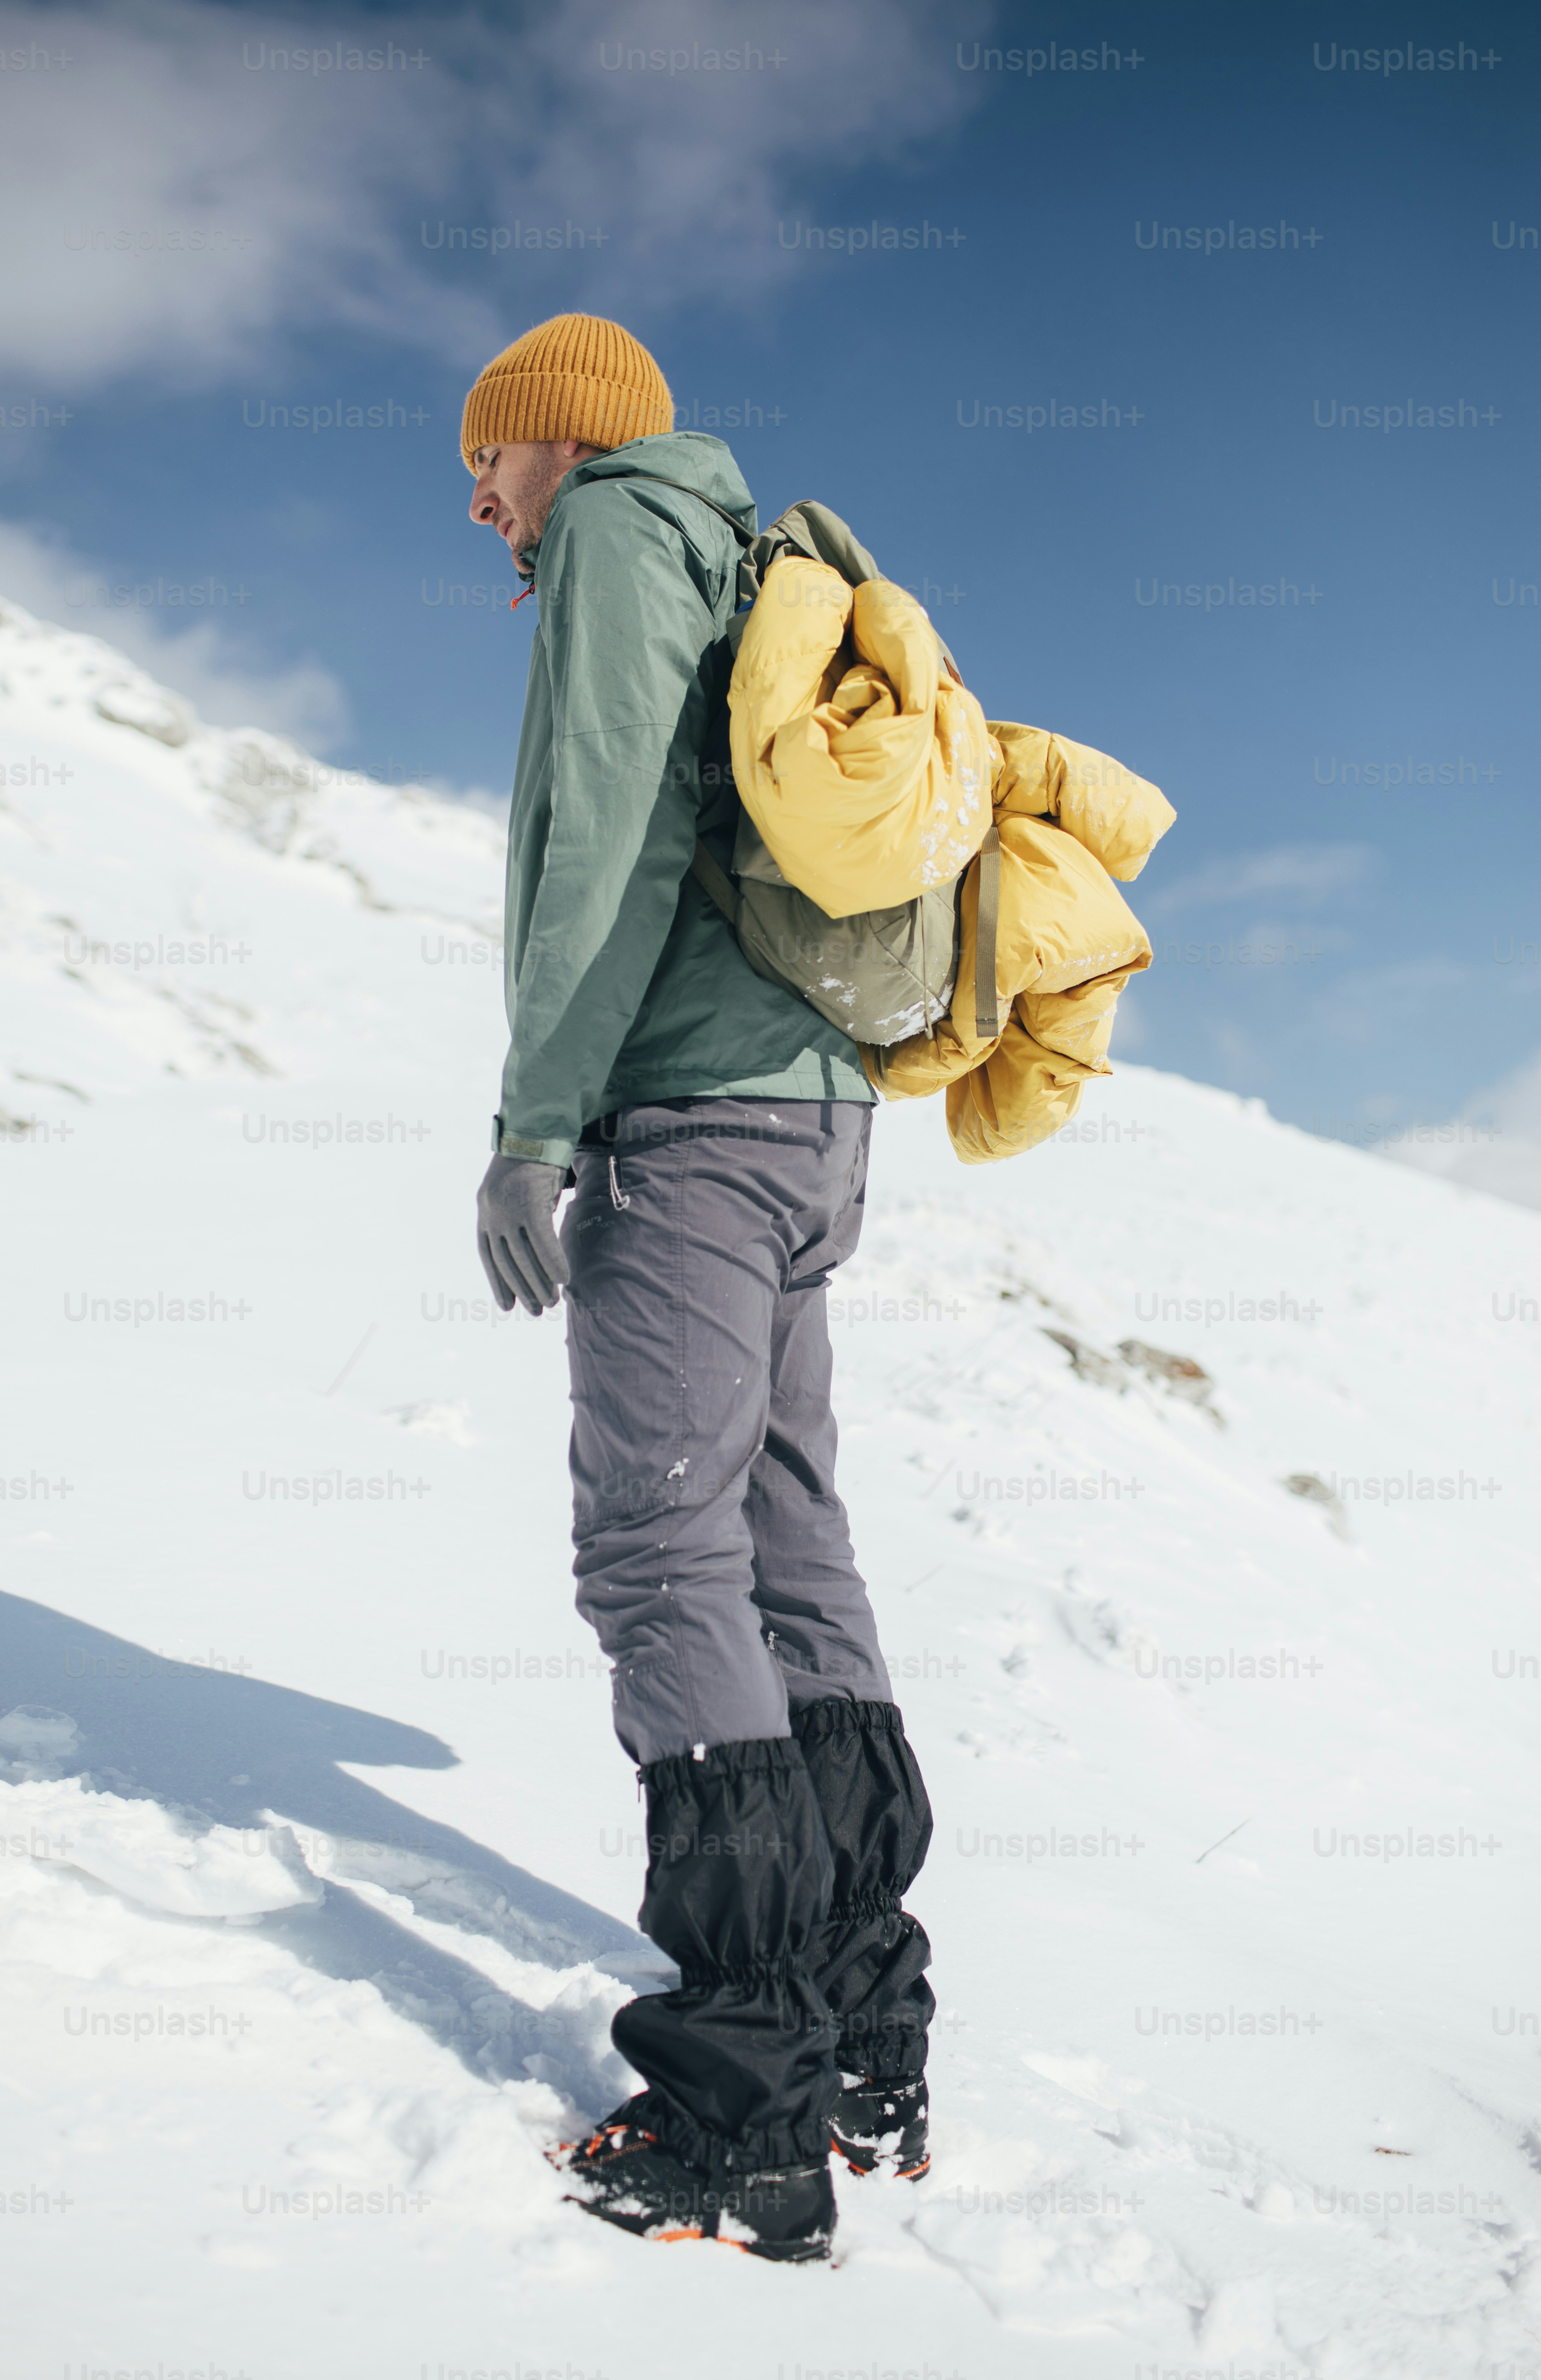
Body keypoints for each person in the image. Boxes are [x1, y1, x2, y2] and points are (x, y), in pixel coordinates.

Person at [465, 314, 934, 2263]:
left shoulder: (613, 539)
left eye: (486, 456)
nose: (476, 496)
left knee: (663, 1562)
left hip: (691, 1122)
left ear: (560, 444)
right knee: (787, 1551)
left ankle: (740, 2119)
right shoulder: (758, 550)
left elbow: (608, 846)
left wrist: (536, 1121)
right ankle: (866, 2046)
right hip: (816, 1124)